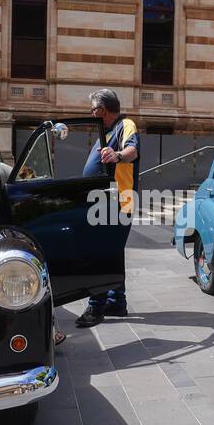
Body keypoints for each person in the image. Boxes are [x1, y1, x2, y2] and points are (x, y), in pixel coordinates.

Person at [76, 88, 139, 328]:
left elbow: (132, 150)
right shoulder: (105, 131)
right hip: (104, 202)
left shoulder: (126, 125)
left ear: (102, 109)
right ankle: (117, 301)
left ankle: (96, 307)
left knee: (100, 253)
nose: (91, 114)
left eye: (92, 109)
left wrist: (117, 155)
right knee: (111, 252)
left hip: (117, 202)